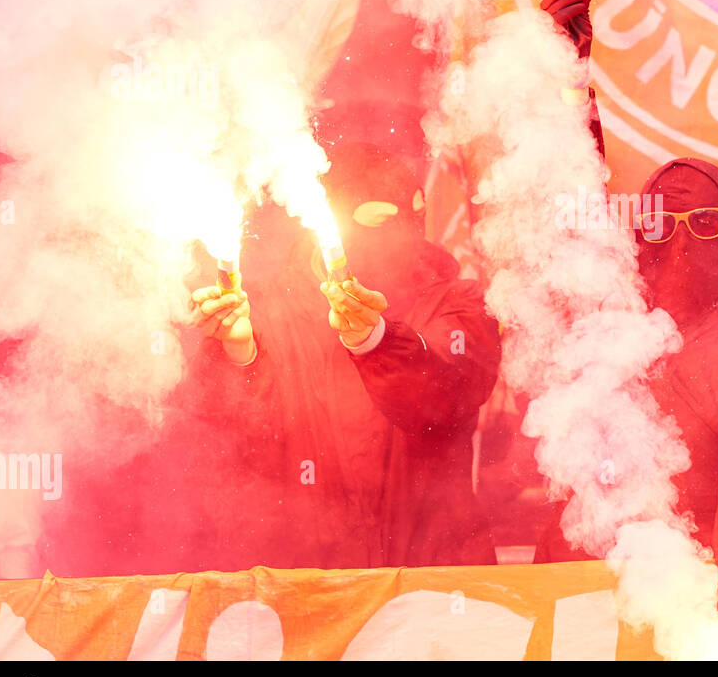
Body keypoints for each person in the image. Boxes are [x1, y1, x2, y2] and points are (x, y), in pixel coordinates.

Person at [182, 141, 502, 572]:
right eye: (371, 218)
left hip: (433, 584)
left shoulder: (457, 303)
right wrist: (239, 352)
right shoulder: (272, 314)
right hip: (316, 592)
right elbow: (240, 443)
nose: (392, 233)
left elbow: (443, 398)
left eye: (404, 216)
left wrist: (377, 341)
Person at [534, 158, 718, 638]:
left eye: (705, 224)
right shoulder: (598, 335)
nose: (681, 244)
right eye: (660, 225)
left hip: (696, 601)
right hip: (583, 601)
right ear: (639, 235)